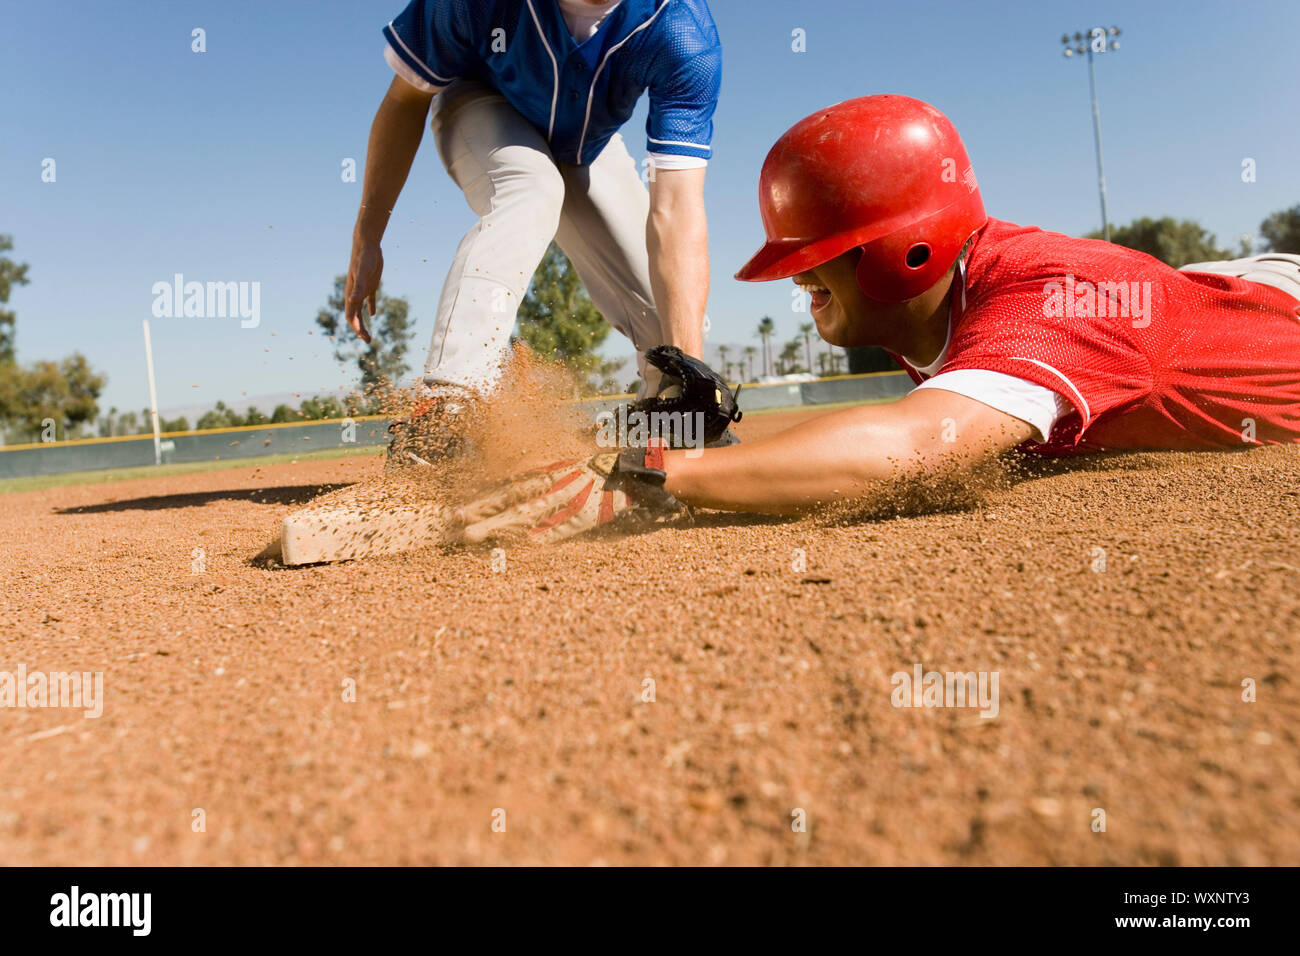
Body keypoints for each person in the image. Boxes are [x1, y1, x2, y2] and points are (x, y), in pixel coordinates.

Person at [453, 94, 1300, 543]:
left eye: (816, 257)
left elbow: (911, 445)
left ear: (911, 252)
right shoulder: (944, 303)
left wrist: (646, 480)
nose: (799, 281)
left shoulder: (1048, 303)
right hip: (1206, 294)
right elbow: (833, 452)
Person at [344, 0, 722, 463]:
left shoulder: (679, 27)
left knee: (676, 324)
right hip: (482, 102)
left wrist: (690, 382)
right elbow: (405, 100)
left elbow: (677, 207)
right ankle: (446, 411)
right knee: (531, 188)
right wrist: (368, 236)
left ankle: (659, 431)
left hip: (586, 143)